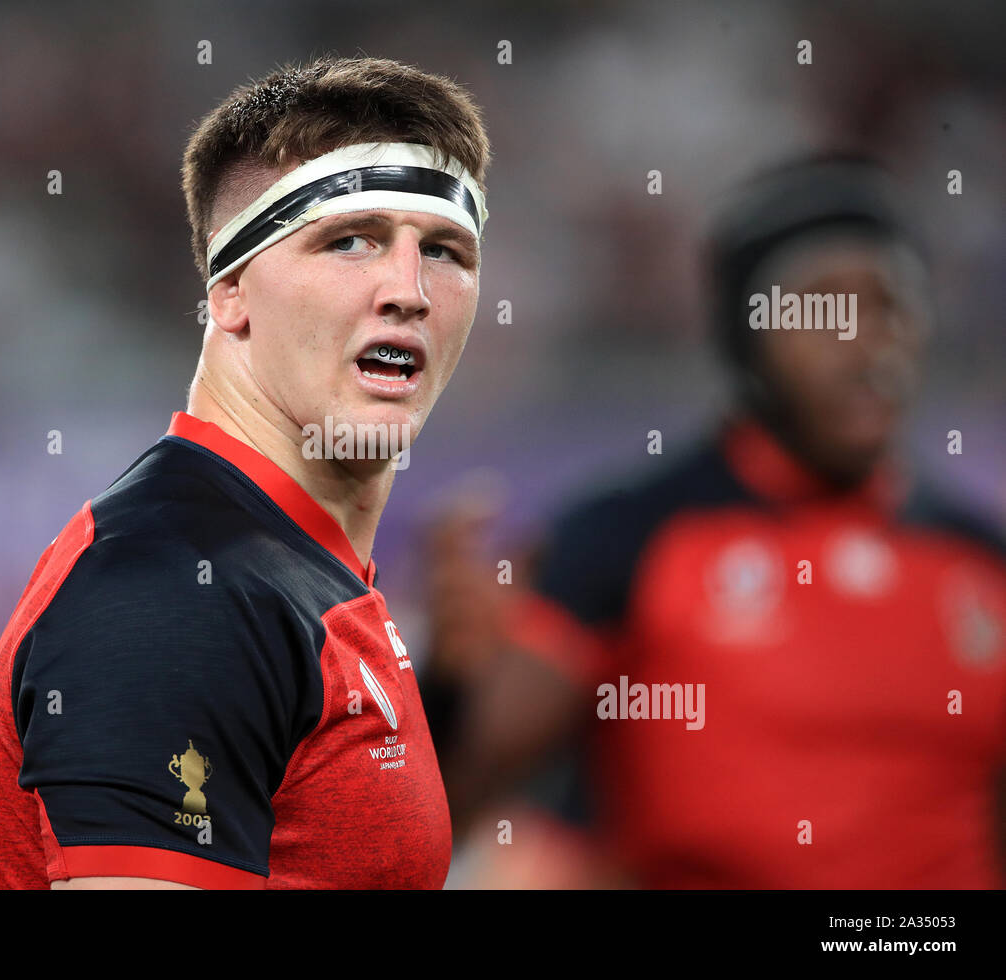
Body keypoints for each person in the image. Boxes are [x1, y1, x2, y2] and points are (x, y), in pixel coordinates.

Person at [0, 55, 491, 889]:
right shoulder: (175, 590)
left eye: (444, 250)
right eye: (349, 241)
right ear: (231, 290)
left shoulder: (290, 572)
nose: (409, 288)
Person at [423, 154, 1006, 888]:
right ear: (747, 338)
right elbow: (446, 808)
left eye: (890, 306)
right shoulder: (627, 541)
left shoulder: (981, 564)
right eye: (823, 309)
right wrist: (444, 686)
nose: (866, 345)